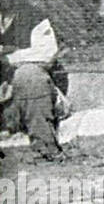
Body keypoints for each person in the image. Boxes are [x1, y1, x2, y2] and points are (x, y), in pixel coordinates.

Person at [1, 10, 69, 161]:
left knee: (29, 75)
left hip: (26, 103)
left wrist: (7, 57)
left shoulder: (35, 18)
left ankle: (45, 148)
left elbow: (45, 55)